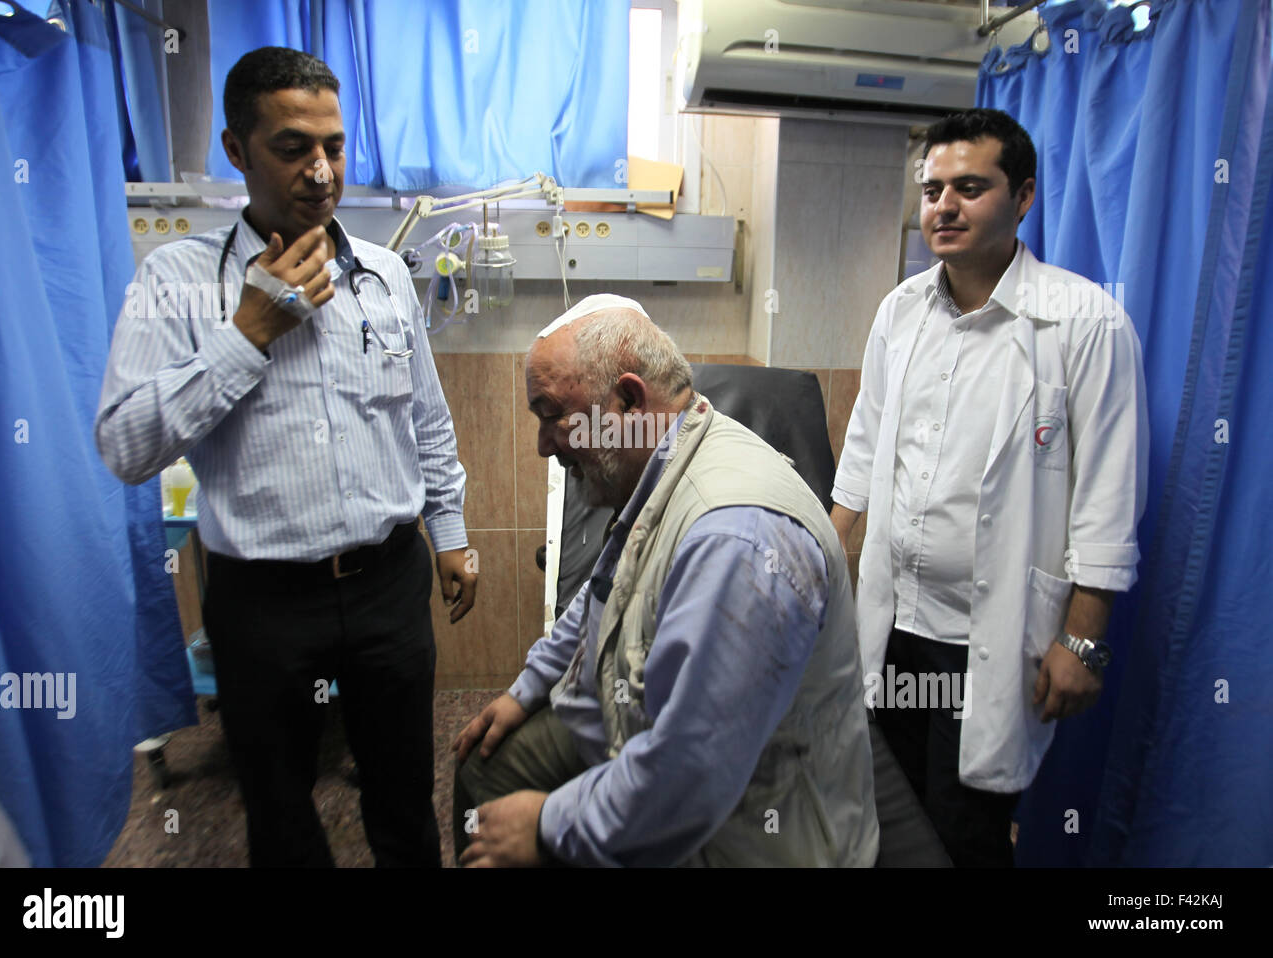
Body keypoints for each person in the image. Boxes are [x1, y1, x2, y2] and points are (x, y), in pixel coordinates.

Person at [94, 47, 476, 867]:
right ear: (236, 150)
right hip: (262, 602)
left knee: (406, 801)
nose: (320, 170)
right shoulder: (180, 281)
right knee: (280, 813)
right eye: (292, 146)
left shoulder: (380, 277)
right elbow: (126, 446)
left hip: (386, 584)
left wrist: (450, 532)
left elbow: (427, 421)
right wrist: (246, 336)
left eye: (334, 146)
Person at [451, 294, 879, 867]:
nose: (543, 446)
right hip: (641, 734)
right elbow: (605, 589)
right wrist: (527, 688)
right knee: (486, 767)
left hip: (748, 834)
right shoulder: (671, 459)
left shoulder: (736, 542)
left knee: (515, 827)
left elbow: (691, 772)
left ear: (628, 400)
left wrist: (549, 825)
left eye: (552, 416)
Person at [830, 108, 1148, 867]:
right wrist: (820, 563)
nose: (943, 205)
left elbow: (1108, 498)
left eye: (970, 187)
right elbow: (865, 450)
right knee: (892, 808)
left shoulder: (1084, 325)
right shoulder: (901, 312)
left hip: (988, 638)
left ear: (1025, 196)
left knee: (963, 829)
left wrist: (1083, 641)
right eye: (933, 188)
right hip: (895, 625)